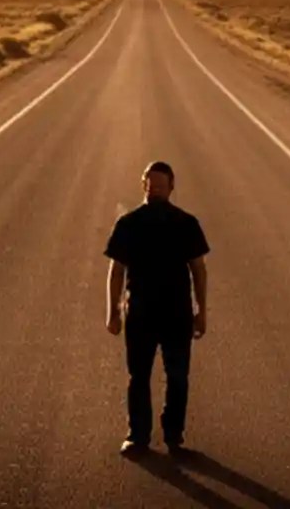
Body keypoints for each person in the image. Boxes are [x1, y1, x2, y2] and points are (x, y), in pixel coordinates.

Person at [104, 161, 210, 456]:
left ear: (172, 187)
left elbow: (199, 270)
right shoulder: (128, 224)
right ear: (144, 186)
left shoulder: (186, 223)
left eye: (161, 186)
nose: (156, 191)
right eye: (151, 186)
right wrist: (112, 311)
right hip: (140, 313)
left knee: (178, 377)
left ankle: (174, 436)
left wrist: (201, 311)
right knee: (138, 376)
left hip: (176, 314)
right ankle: (138, 436)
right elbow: (117, 269)